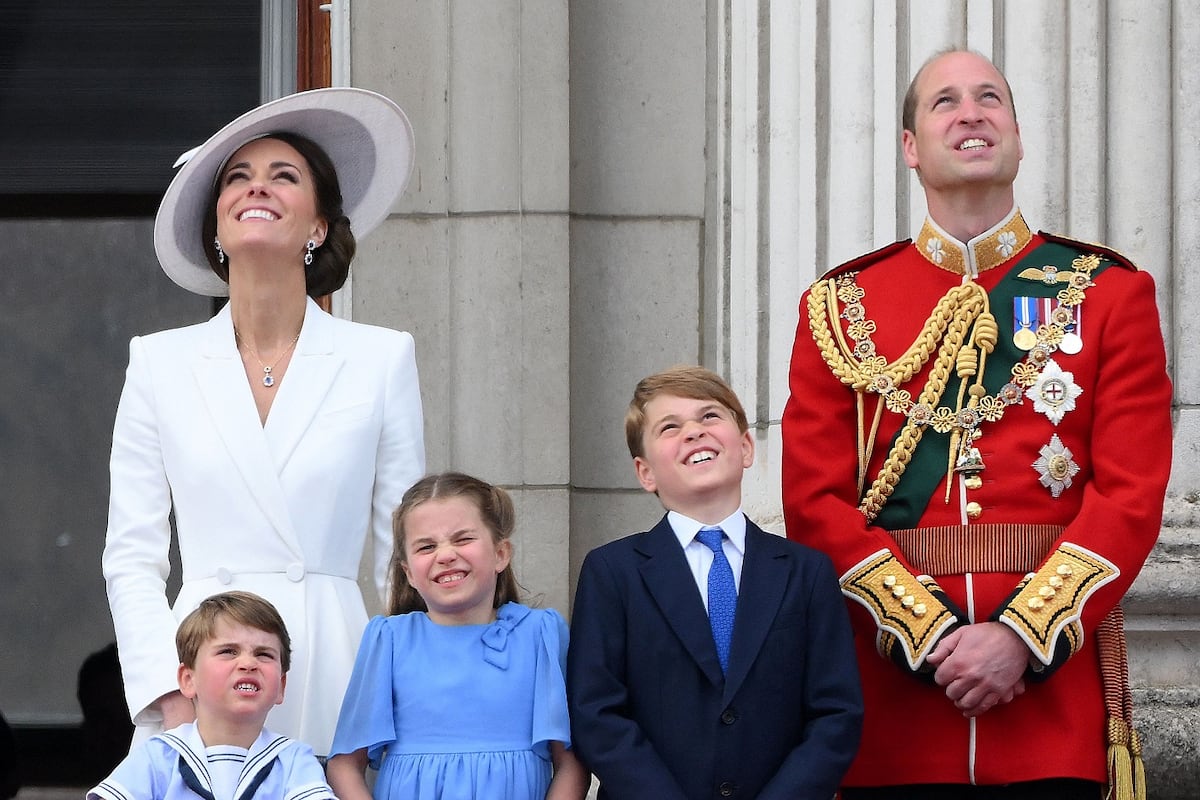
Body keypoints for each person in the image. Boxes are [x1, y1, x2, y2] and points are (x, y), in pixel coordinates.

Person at [782, 48, 1173, 798]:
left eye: (989, 97)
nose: (971, 113)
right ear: (910, 147)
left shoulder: (1109, 294)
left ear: (1018, 136)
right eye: (945, 102)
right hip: (893, 715)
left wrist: (1020, 639)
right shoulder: (840, 307)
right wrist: (930, 640)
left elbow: (1129, 496)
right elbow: (815, 505)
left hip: (1047, 718)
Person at [103, 87, 426, 757]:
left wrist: (408, 685)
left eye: (285, 176)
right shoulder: (159, 363)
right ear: (216, 227)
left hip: (336, 666)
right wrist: (167, 688)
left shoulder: (380, 358)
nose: (259, 188)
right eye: (238, 178)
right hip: (201, 674)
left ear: (317, 226)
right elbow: (131, 555)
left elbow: (405, 551)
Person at [568, 365, 863, 800]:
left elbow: (836, 713)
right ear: (645, 471)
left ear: (745, 447)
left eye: (709, 417)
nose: (694, 432)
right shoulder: (612, 572)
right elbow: (597, 711)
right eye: (670, 427)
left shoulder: (806, 571)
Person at [326, 471, 589, 800]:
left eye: (463, 539)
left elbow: (573, 763)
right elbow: (345, 765)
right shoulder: (388, 639)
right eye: (426, 546)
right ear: (408, 573)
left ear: (501, 553)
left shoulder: (540, 634)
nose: (445, 554)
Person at [88, 591, 335, 800]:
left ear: (281, 686)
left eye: (264, 654)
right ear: (188, 679)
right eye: (228, 651)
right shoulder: (158, 756)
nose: (248, 663)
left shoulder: (293, 761)